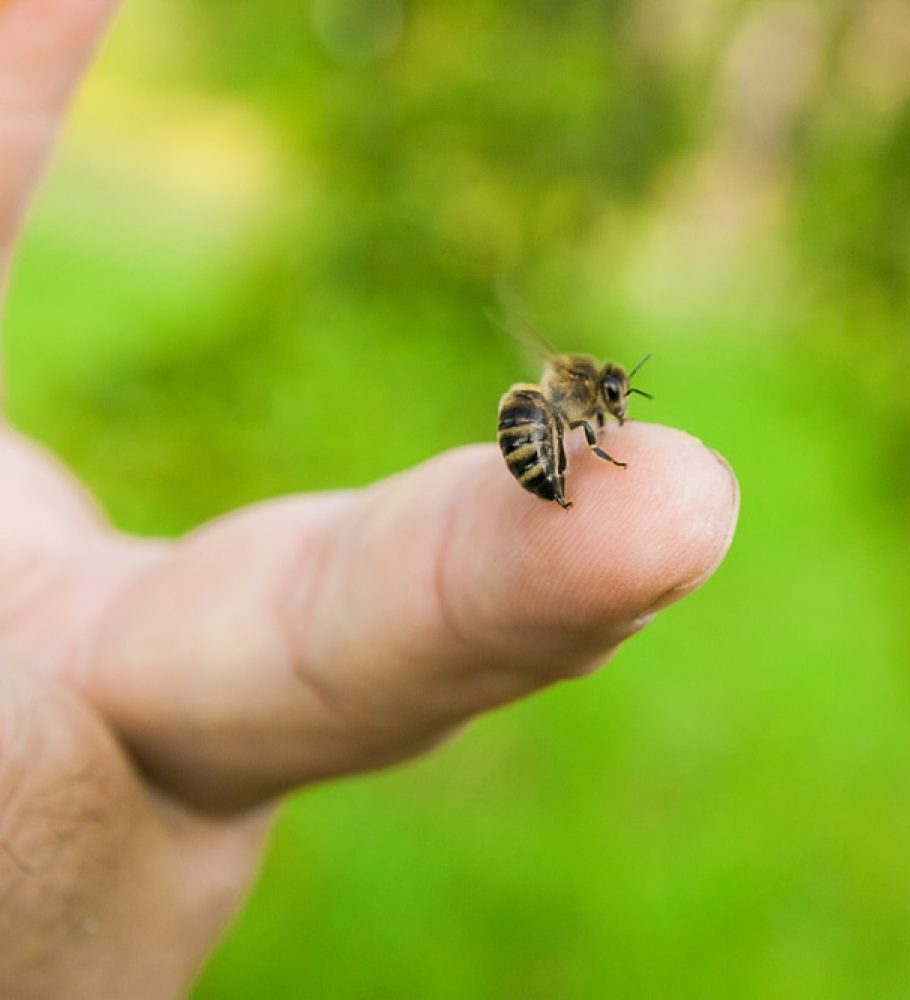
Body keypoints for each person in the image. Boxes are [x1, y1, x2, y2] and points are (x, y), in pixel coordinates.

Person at [0, 2, 739, 996]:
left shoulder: (576, 403)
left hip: (530, 452)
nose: (616, 407)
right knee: (583, 482)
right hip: (528, 444)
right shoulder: (565, 403)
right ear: (592, 391)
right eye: (612, 397)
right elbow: (561, 418)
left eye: (613, 401)